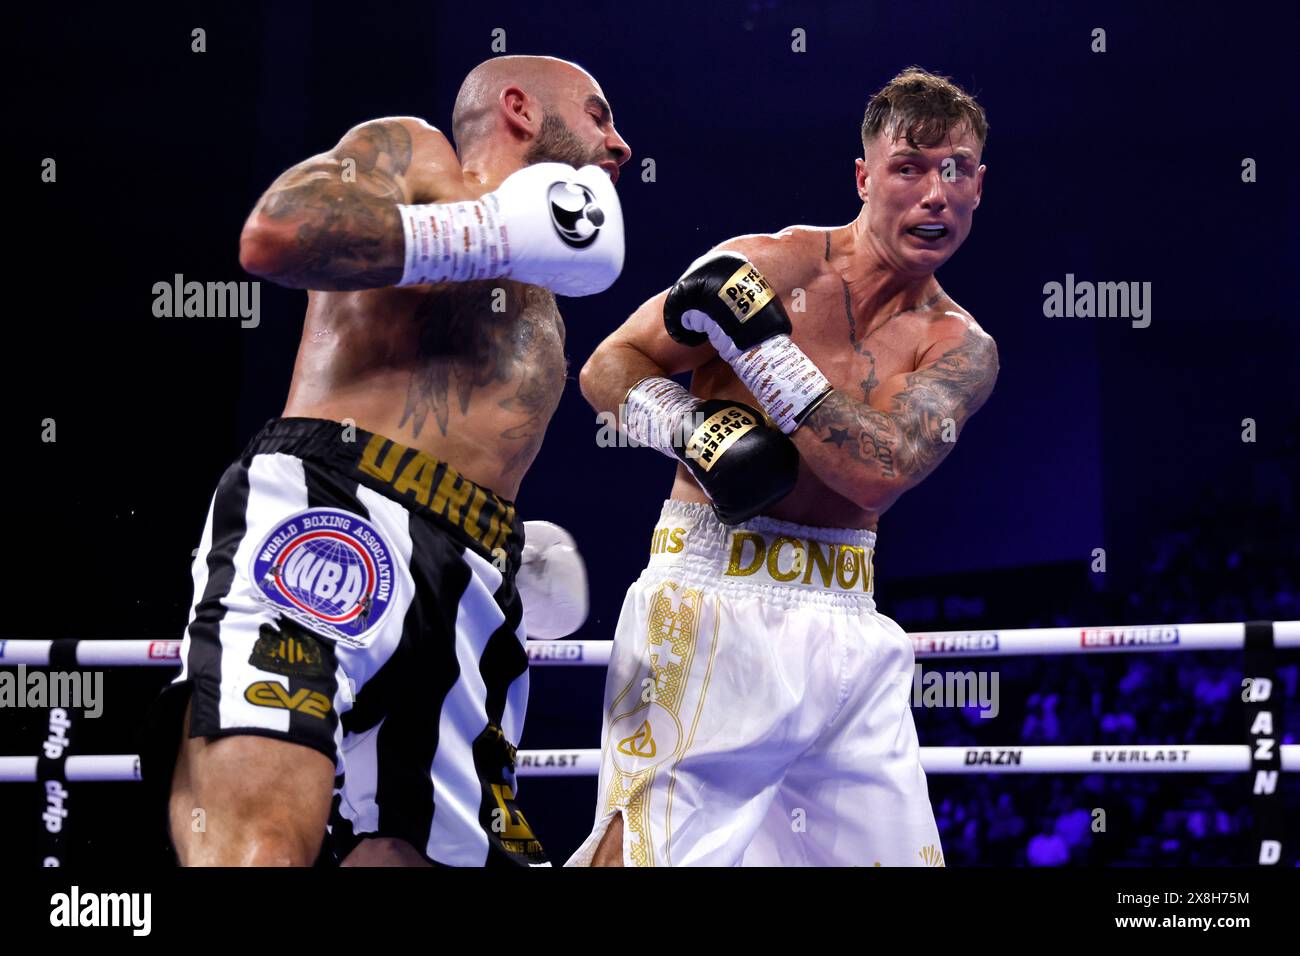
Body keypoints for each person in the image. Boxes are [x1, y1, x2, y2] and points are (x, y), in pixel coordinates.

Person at [139, 55, 630, 867]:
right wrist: (480, 229)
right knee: (257, 845)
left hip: (469, 575)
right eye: (598, 114)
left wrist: (509, 542)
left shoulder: (545, 289)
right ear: (517, 107)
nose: (620, 145)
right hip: (331, 505)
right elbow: (274, 237)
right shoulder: (414, 153)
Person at [569, 67, 997, 866]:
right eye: (910, 167)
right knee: (646, 854)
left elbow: (880, 471)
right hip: (708, 593)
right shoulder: (768, 263)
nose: (935, 192)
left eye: (957, 169)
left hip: (848, 620)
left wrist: (765, 355)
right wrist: (689, 427)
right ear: (864, 177)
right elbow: (607, 365)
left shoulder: (961, 347)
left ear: (979, 187)